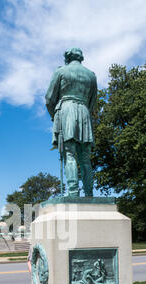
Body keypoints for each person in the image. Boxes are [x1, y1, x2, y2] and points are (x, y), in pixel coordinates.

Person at [45, 47, 97, 197]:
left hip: (66, 110)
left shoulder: (61, 71)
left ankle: (73, 192)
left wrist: (54, 115)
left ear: (67, 58)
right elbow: (93, 102)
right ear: (81, 58)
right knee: (85, 157)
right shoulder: (91, 75)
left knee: (70, 153)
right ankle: (89, 193)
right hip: (84, 112)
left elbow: (49, 98)